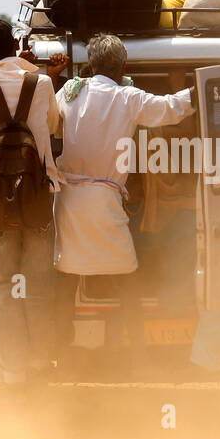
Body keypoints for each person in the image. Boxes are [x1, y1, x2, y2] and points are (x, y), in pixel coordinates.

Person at [52, 33, 196, 350]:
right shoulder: (128, 98)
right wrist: (202, 89)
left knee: (67, 273)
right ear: (122, 67)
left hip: (69, 200)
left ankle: (57, 347)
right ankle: (137, 347)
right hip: (105, 202)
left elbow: (50, 119)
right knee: (126, 273)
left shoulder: (70, 92)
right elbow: (170, 109)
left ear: (91, 65)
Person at [0, 18, 68, 385]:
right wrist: (36, 68)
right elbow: (55, 124)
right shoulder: (41, 83)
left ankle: (13, 367)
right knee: (38, 285)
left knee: (6, 284)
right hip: (39, 199)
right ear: (15, 43)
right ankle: (42, 361)